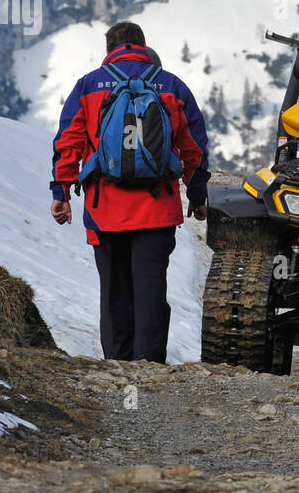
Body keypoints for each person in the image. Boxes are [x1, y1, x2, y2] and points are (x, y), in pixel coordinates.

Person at [49, 22, 210, 362]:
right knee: (150, 289)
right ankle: (149, 365)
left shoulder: (89, 85)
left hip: (104, 210)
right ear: (143, 46)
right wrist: (197, 195)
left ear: (110, 50)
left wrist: (61, 191)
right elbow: (194, 149)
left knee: (114, 290)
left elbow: (69, 143)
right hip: (157, 209)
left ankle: (118, 365)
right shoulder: (171, 85)